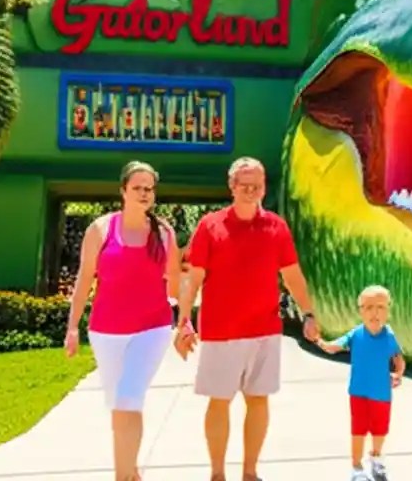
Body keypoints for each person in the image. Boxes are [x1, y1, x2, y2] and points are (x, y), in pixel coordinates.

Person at [175, 156, 321, 481]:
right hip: (221, 333)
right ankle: (217, 474)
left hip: (264, 330)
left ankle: (250, 472)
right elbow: (193, 278)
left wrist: (309, 313)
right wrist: (184, 319)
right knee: (220, 401)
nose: (251, 191)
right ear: (232, 187)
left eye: (257, 185)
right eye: (245, 185)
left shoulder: (276, 227)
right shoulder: (210, 226)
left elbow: (292, 275)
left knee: (259, 400)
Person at [65, 160, 182, 481]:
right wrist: (72, 327)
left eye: (149, 189)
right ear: (123, 191)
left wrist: (182, 319)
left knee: (130, 395)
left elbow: (175, 279)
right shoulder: (100, 230)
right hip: (106, 330)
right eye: (138, 188)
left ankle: (123, 476)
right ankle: (130, 474)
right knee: (118, 406)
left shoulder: (164, 233)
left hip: (152, 327)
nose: (144, 194)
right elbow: (84, 279)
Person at [316, 285, 406, 481]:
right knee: (358, 430)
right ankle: (356, 467)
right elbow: (335, 346)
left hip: (381, 392)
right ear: (361, 311)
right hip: (358, 391)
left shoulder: (389, 336)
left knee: (380, 429)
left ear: (388, 310)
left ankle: (376, 459)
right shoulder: (356, 334)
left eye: (381, 307)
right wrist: (321, 342)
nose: (375, 313)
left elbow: (398, 358)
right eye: (369, 307)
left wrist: (398, 374)